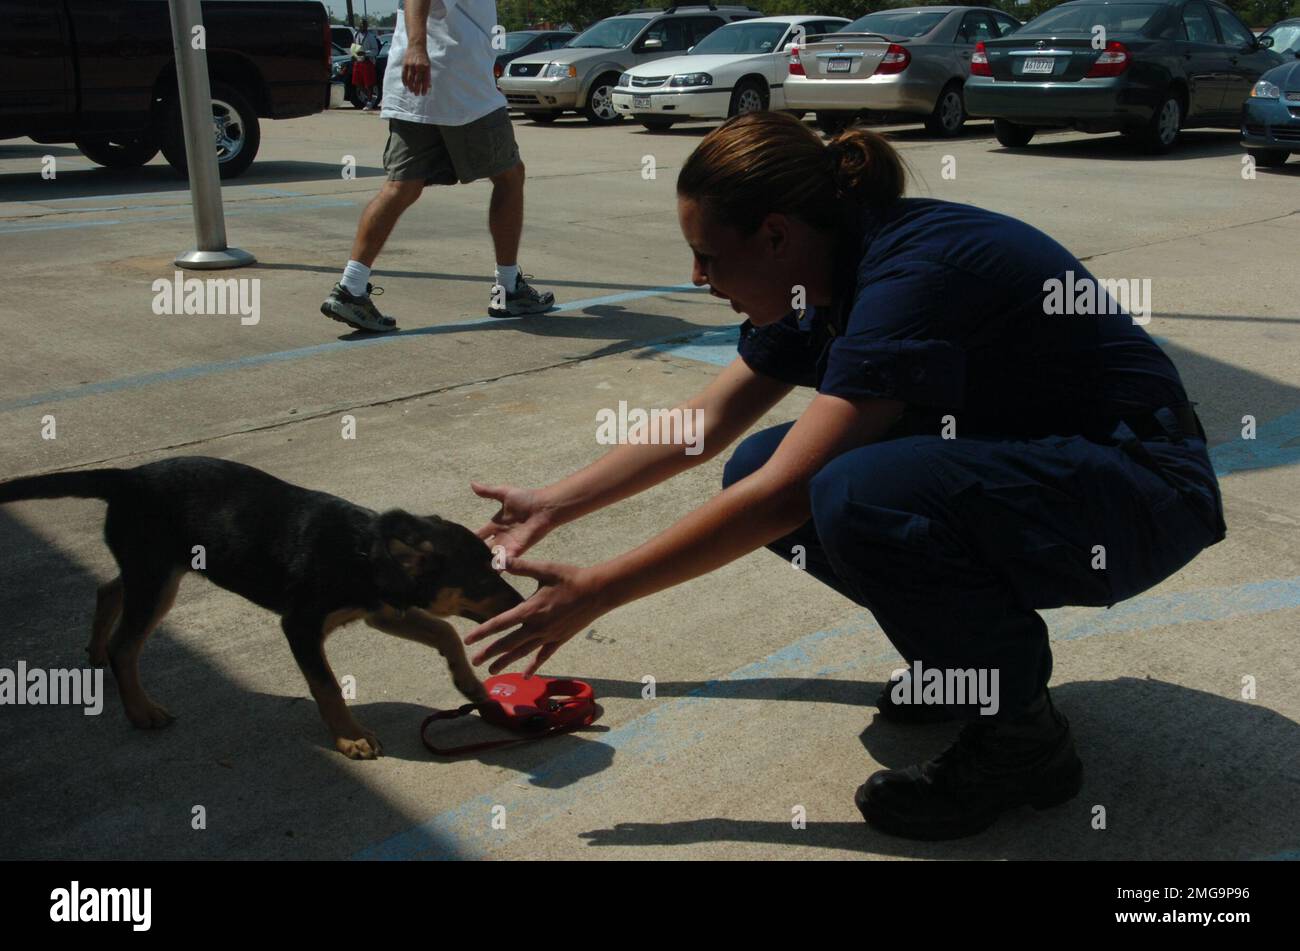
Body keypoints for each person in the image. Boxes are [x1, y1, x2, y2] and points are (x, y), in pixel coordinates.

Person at [462, 111, 1226, 840]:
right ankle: (967, 665)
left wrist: (600, 587)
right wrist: (555, 503)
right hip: (1063, 475)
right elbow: (707, 422)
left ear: (775, 235)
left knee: (847, 491)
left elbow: (788, 497)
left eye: (709, 255)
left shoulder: (912, 274)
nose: (697, 276)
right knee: (760, 462)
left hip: (1145, 490)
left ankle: (1023, 742)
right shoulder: (819, 272)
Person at [322, 0, 554, 333]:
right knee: (509, 176)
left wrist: (415, 51)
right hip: (460, 84)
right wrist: (418, 47)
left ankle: (351, 288)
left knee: (401, 186)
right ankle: (509, 289)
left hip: (416, 86)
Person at [352, 19, 382, 111]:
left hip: (367, 62)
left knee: (368, 84)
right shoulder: (356, 35)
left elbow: (375, 51)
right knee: (357, 83)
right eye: (360, 25)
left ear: (366, 26)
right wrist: (354, 54)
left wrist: (365, 53)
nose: (362, 26)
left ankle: (369, 102)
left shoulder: (370, 37)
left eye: (364, 25)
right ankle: (372, 97)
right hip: (358, 61)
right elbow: (354, 46)